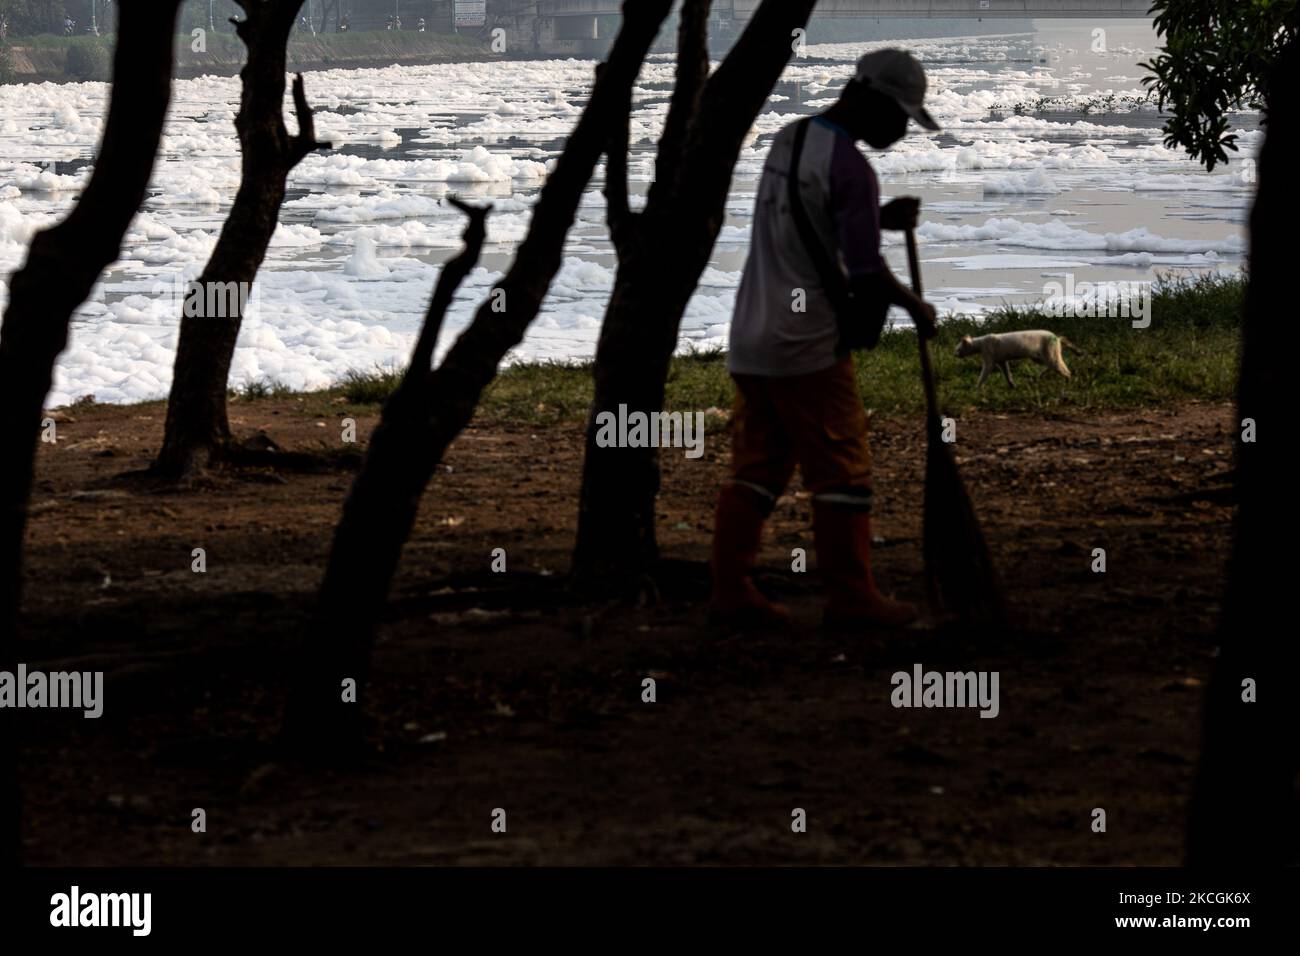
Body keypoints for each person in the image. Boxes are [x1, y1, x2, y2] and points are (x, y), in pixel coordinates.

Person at [709, 48, 941, 630]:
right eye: (899, 117)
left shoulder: (790, 140)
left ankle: (731, 591)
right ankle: (852, 596)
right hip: (807, 343)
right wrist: (916, 307)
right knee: (842, 468)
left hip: (752, 339)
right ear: (870, 98)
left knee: (758, 466)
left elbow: (806, 215)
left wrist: (876, 216)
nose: (900, 132)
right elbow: (863, 272)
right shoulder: (851, 167)